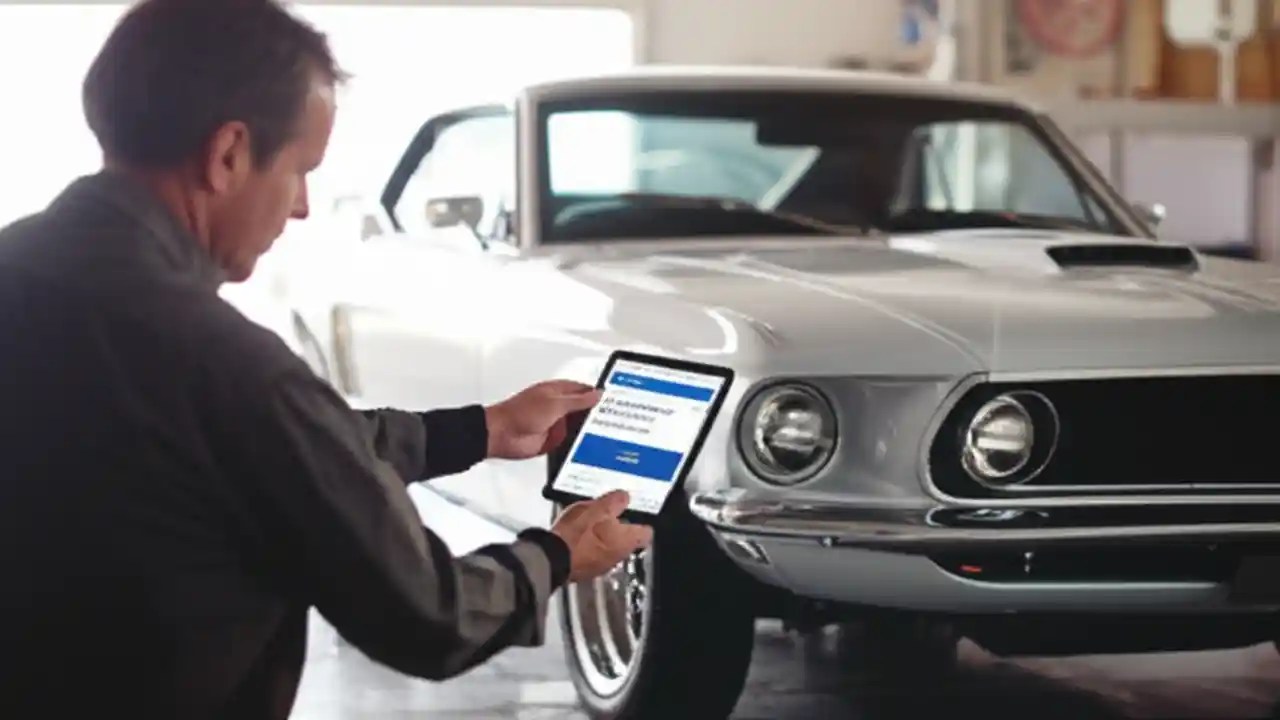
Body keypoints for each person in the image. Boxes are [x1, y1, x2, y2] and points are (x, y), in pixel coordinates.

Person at [0, 0, 652, 717]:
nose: (303, 206)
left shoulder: (23, 272)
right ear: (227, 157)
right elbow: (427, 615)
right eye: (300, 169)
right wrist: (557, 555)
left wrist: (483, 430)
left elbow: (260, 447)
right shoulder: (226, 366)